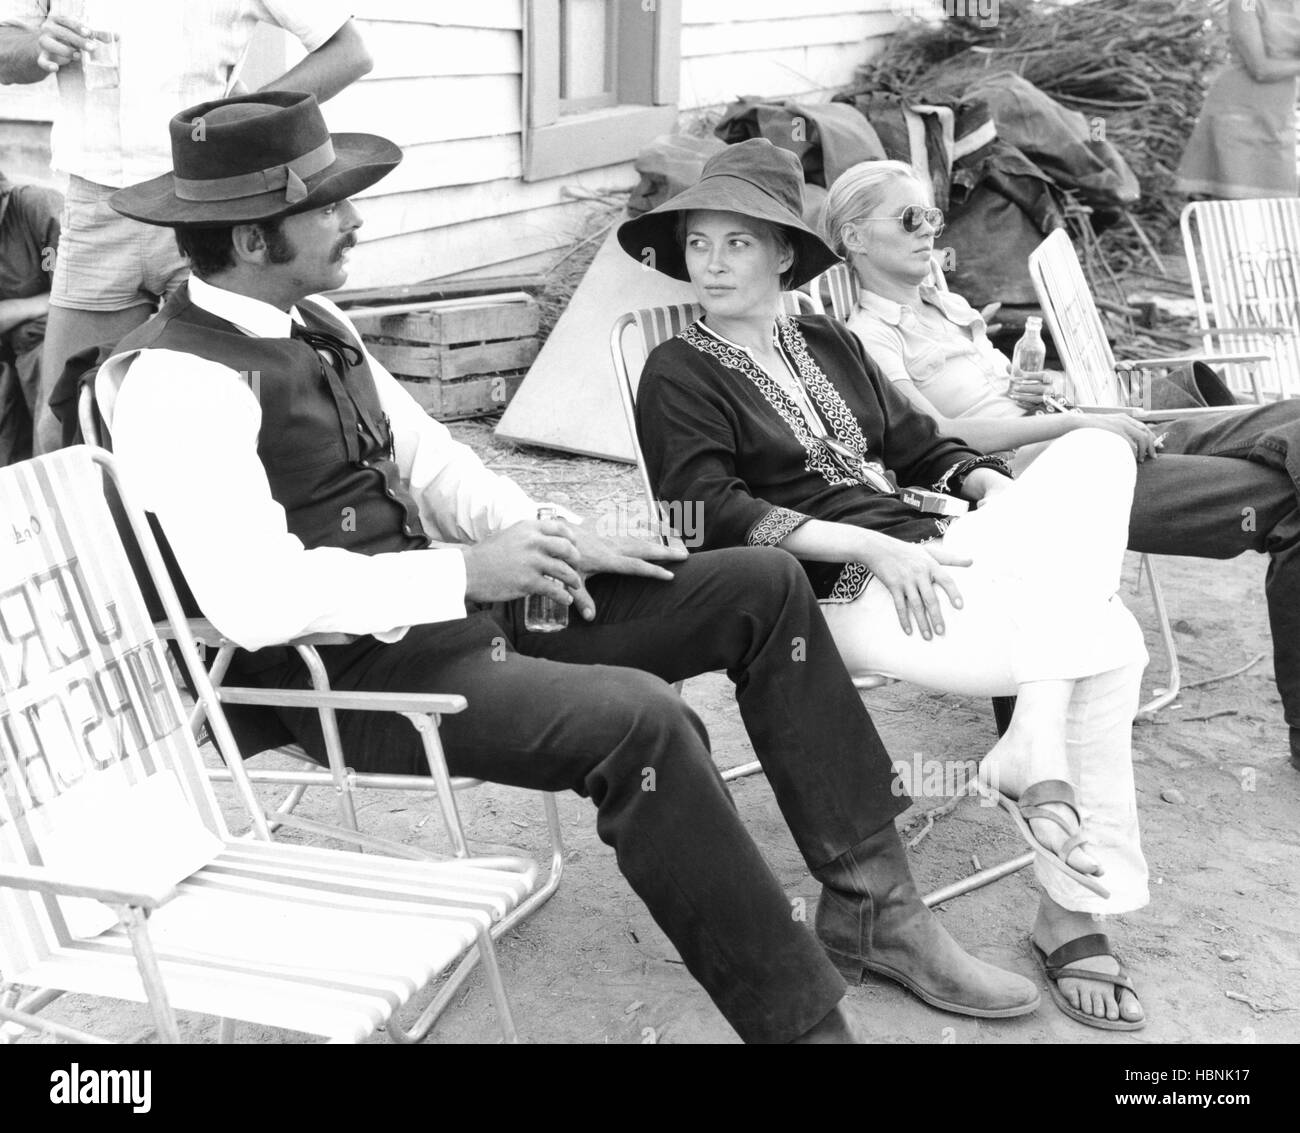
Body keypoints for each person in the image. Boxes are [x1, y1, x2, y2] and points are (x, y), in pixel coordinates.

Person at [99, 92, 1046, 1046]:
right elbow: (255, 600)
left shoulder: (317, 320)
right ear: (255, 238)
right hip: (351, 673)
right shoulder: (179, 385)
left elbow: (437, 461)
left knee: (761, 584)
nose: (354, 217)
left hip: (458, 603)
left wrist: (547, 536)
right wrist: (469, 573)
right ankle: (803, 1029)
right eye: (330, 204)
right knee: (641, 719)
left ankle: (872, 901)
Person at [624, 138, 1153, 1031]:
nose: (709, 262)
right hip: (832, 590)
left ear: (785, 252)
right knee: (1113, 644)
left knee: (1097, 450)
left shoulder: (827, 338)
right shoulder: (681, 369)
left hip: (934, 543)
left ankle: (1032, 740)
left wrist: (1001, 500)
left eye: (736, 242)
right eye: (698, 243)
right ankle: (1071, 906)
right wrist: (873, 544)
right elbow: (706, 511)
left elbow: (924, 446)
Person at [826, 158, 1300, 772]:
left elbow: (990, 400)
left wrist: (1028, 387)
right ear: (856, 238)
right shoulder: (865, 336)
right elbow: (930, 435)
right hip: (1048, 486)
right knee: (1291, 503)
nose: (930, 231)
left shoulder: (942, 305)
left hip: (1085, 441)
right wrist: (1076, 423)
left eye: (934, 216)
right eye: (912, 217)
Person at [0, 0, 373, 456]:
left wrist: (249, 114)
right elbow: (5, 48)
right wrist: (36, 44)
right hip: (97, 207)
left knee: (252, 407)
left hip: (209, 205)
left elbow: (349, 51)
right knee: (65, 425)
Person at [1176, 0, 1300, 199]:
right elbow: (1260, 68)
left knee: (1279, 212)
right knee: (1235, 212)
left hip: (1278, 119)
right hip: (1238, 116)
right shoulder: (1247, 3)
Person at [0, 168, 61, 466]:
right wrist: (38, 304)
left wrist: (35, 308)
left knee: (42, 356)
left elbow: (67, 295)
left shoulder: (36, 209)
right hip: (7, 350)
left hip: (43, 341)